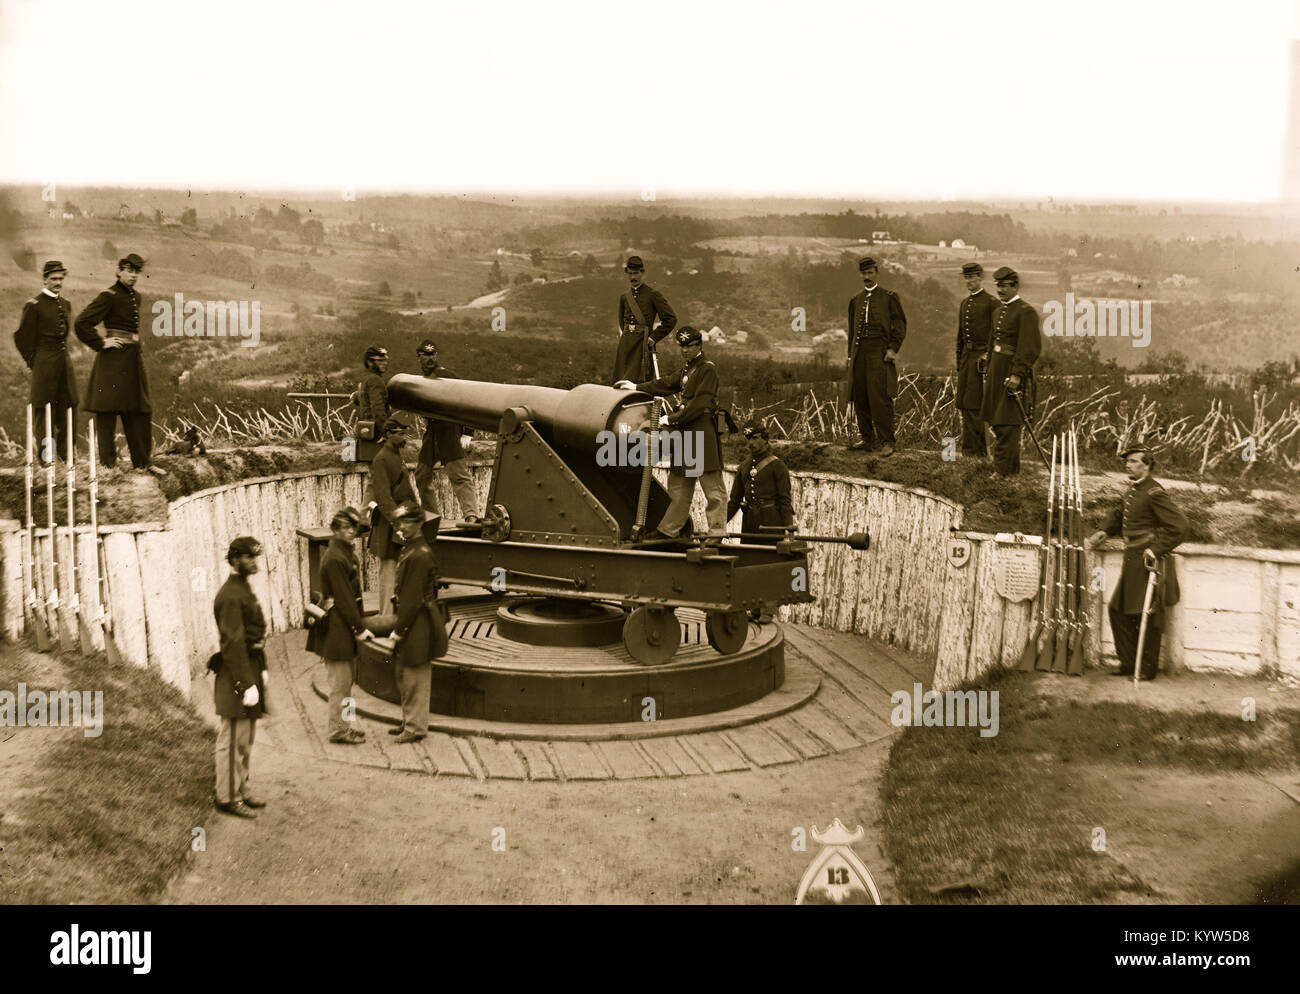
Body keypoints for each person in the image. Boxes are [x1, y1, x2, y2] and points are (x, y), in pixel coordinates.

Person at [1086, 443, 1188, 680]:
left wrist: (1157, 549)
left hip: (1146, 559)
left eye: (1133, 461)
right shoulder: (1134, 490)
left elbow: (1180, 527)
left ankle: (1147, 669)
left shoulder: (1155, 492)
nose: (1128, 465)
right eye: (1127, 461)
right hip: (1130, 557)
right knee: (1117, 610)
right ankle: (1129, 663)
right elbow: (1121, 513)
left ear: (1148, 464)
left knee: (1146, 613)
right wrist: (1104, 530)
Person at [620, 325, 727, 540]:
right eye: (682, 346)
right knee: (679, 488)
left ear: (699, 345)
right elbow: (665, 384)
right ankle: (668, 531)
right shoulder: (689, 370)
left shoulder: (707, 369)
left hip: (702, 434)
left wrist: (670, 418)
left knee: (713, 489)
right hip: (686, 434)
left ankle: (716, 533)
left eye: (690, 346)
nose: (685, 350)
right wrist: (636, 387)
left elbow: (700, 404)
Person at [74, 254, 152, 469]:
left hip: (132, 360)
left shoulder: (137, 297)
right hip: (112, 360)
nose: (133, 276)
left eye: (137, 272)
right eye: (129, 271)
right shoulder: (108, 295)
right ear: (119, 271)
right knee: (107, 412)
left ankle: (143, 463)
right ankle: (108, 467)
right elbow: (82, 323)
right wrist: (101, 343)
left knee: (138, 409)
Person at [212, 536, 269, 819]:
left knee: (245, 740)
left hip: (250, 669)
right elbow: (233, 645)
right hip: (236, 676)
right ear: (234, 559)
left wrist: (263, 670)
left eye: (255, 557)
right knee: (233, 739)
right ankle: (227, 796)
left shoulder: (242, 588)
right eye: (249, 557)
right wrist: (247, 684)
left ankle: (242, 789)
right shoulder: (230, 595)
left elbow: (254, 633)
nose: (253, 562)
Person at [308, 507, 374, 744]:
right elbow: (345, 598)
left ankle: (345, 725)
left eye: (353, 528)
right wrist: (360, 627)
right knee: (340, 685)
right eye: (344, 528)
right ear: (335, 530)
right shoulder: (336, 558)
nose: (350, 532)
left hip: (342, 625)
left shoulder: (344, 553)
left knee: (346, 684)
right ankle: (338, 730)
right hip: (337, 627)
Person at [389, 502, 444, 743]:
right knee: (405, 673)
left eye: (406, 522)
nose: (401, 527)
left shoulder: (418, 554)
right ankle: (409, 721)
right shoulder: (413, 548)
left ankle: (415, 727)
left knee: (415, 675)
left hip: (417, 620)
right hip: (413, 618)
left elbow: (411, 598)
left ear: (418, 524)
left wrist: (399, 630)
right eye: (399, 522)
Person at [979, 267, 1042, 476]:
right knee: (996, 420)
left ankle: (1003, 471)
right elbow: (992, 342)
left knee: (1008, 422)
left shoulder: (1026, 311)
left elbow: (1029, 347)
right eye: (998, 286)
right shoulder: (998, 311)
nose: (1000, 290)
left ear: (1015, 286)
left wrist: (1017, 374)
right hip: (996, 369)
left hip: (1011, 371)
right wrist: (988, 365)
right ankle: (1009, 470)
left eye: (1005, 286)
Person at [14, 261, 77, 464]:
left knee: (68, 409)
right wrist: (37, 363)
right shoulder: (34, 306)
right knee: (44, 412)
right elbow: (22, 338)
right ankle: (46, 461)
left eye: (61, 279)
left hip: (64, 366)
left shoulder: (66, 304)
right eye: (54, 279)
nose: (58, 283)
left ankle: (66, 459)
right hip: (44, 366)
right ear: (45, 279)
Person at [846, 257, 906, 456]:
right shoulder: (856, 300)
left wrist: (892, 349)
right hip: (859, 353)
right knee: (860, 396)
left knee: (879, 397)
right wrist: (850, 357)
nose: (867, 277)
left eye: (870, 273)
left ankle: (887, 441)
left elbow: (899, 325)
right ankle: (867, 439)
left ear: (876, 272)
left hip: (879, 352)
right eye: (863, 273)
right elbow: (852, 332)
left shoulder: (889, 297)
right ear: (859, 274)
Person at [413, 339, 479, 521]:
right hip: (432, 432)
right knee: (421, 475)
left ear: (437, 355)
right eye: (425, 355)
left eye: (432, 354)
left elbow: (470, 401)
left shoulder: (447, 376)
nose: (429, 358)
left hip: (449, 431)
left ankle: (471, 515)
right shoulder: (422, 380)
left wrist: (468, 431)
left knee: (459, 475)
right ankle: (432, 516)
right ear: (418, 357)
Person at [365, 418, 418, 612]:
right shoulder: (382, 459)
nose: (403, 436)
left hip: (401, 521)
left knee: (400, 575)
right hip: (390, 525)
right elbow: (383, 497)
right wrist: (399, 524)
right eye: (399, 433)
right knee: (388, 576)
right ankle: (385, 617)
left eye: (404, 433)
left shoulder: (396, 456)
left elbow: (406, 488)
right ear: (388, 435)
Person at [955, 262, 998, 458]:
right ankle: (970, 449)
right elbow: (961, 337)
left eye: (973, 277)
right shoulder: (965, 303)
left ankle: (974, 451)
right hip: (966, 359)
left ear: (981, 278)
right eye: (967, 278)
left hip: (981, 360)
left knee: (974, 405)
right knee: (964, 403)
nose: (969, 281)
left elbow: (997, 334)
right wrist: (960, 362)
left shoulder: (991, 302)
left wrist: (988, 356)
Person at [612, 255, 677, 385]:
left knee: (639, 383)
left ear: (642, 272)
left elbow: (671, 319)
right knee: (620, 382)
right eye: (630, 274)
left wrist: (654, 337)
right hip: (625, 344)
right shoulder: (624, 297)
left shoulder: (653, 295)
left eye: (635, 273)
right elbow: (622, 322)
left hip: (642, 344)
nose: (632, 278)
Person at [726, 421, 793, 543]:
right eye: (749, 439)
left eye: (755, 438)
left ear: (765, 439)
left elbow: (785, 499)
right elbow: (735, 501)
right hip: (749, 523)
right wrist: (718, 525)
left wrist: (789, 527)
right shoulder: (744, 466)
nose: (751, 443)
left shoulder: (778, 465)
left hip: (772, 523)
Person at [353, 345, 390, 433]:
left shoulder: (366, 378)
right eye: (380, 361)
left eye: (385, 360)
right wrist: (386, 432)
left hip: (366, 429)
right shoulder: (375, 380)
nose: (385, 363)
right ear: (369, 362)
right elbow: (378, 410)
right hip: (376, 432)